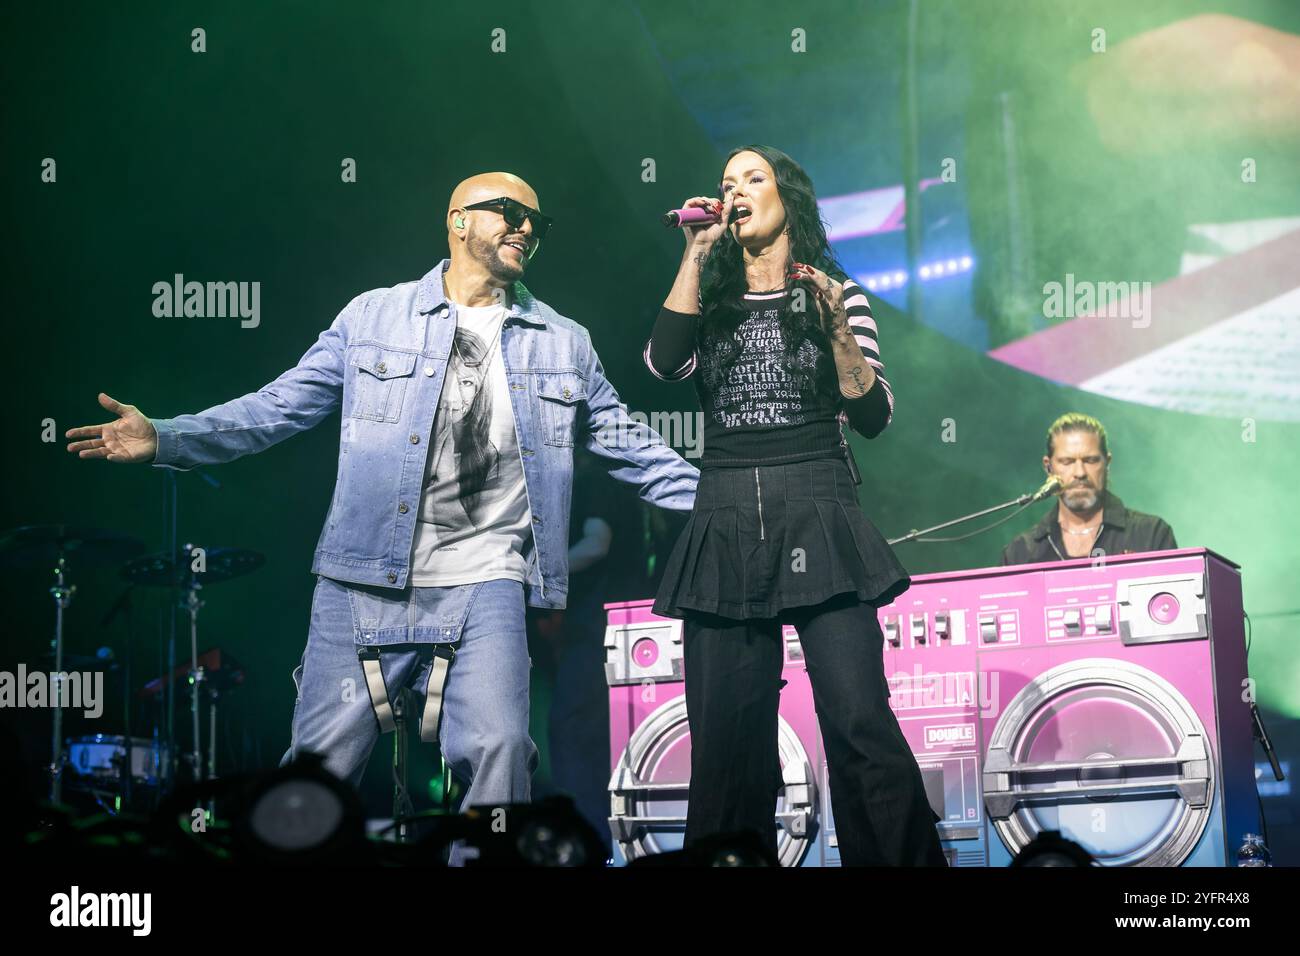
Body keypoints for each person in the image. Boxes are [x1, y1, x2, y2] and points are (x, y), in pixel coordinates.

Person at [66, 171, 699, 862]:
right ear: (458, 221)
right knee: (317, 768)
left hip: (487, 585)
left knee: (499, 753)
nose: (526, 229)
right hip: (363, 581)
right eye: (510, 213)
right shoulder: (373, 317)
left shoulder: (562, 341)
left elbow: (629, 443)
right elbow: (277, 407)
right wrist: (168, 436)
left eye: (537, 224)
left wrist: (725, 499)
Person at [644, 144, 946, 866]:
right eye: (727, 183)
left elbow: (873, 415)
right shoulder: (709, 299)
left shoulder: (836, 292)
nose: (737, 191)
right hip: (724, 515)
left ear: (788, 201)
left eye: (754, 179)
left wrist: (837, 325)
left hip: (817, 504)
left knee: (858, 720)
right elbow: (661, 362)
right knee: (727, 739)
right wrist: (695, 253)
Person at [1001, 413, 1177, 564]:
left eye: (1090, 460)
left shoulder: (1150, 534)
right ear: (1049, 467)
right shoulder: (1021, 551)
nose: (1080, 473)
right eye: (1067, 462)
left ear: (1107, 463)